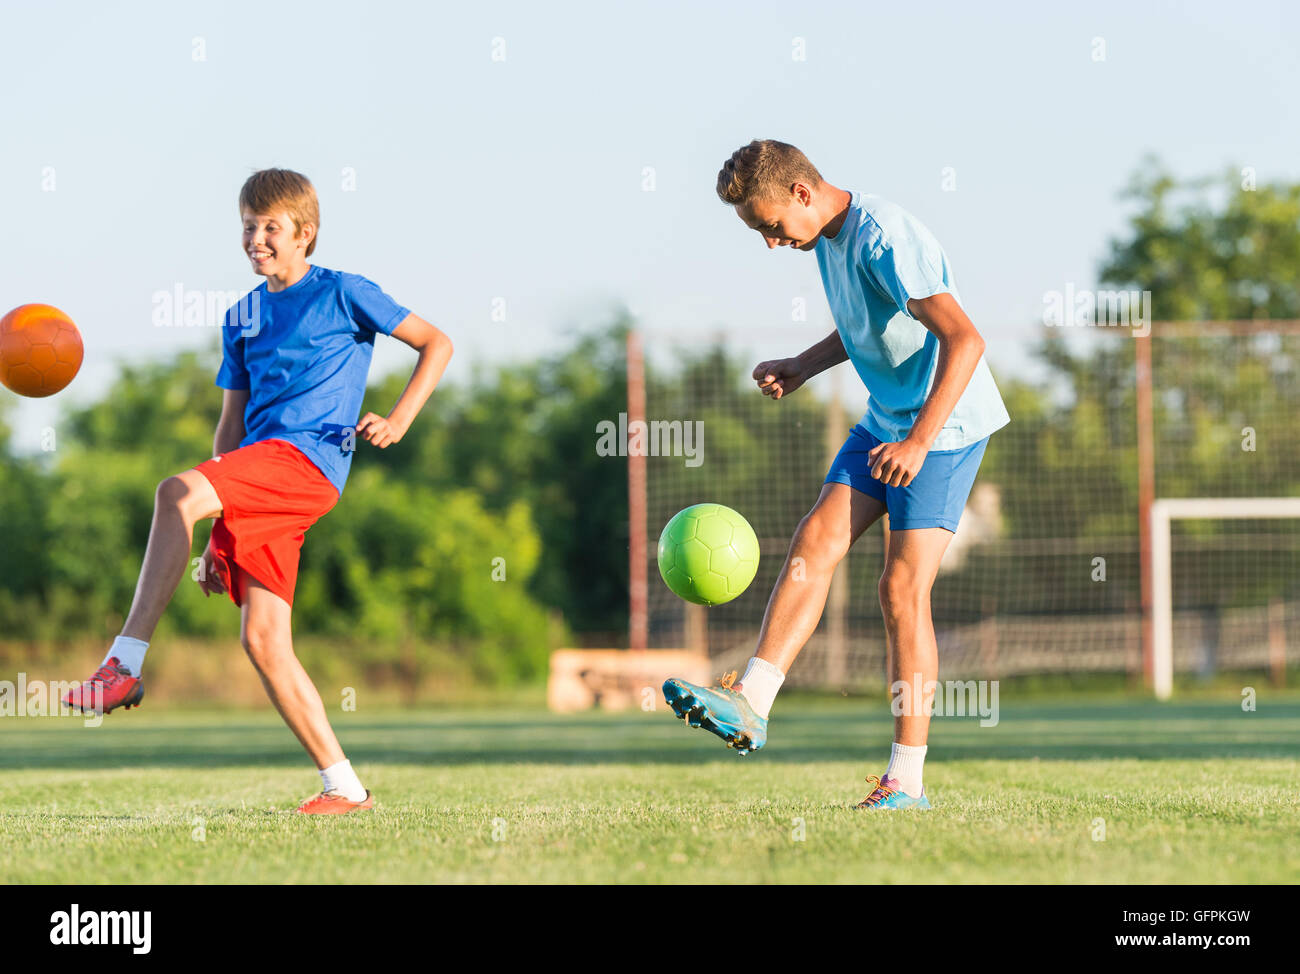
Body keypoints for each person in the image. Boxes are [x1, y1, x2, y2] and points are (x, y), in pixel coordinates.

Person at [62, 168, 453, 815]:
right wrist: (218, 532)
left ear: (306, 234)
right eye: (248, 225)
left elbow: (436, 343)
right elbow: (230, 429)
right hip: (259, 471)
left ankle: (122, 665)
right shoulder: (241, 315)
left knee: (170, 492)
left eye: (271, 226)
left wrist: (399, 418)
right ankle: (346, 788)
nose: (257, 238)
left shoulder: (345, 293)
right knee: (264, 641)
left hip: (308, 463)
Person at [663, 140, 1009, 810]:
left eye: (769, 227)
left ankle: (906, 781)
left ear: (801, 192)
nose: (770, 243)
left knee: (901, 589)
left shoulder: (885, 235)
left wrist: (919, 439)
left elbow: (966, 339)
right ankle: (751, 703)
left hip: (944, 427)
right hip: (888, 420)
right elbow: (866, 327)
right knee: (814, 540)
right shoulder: (823, 238)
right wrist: (801, 364)